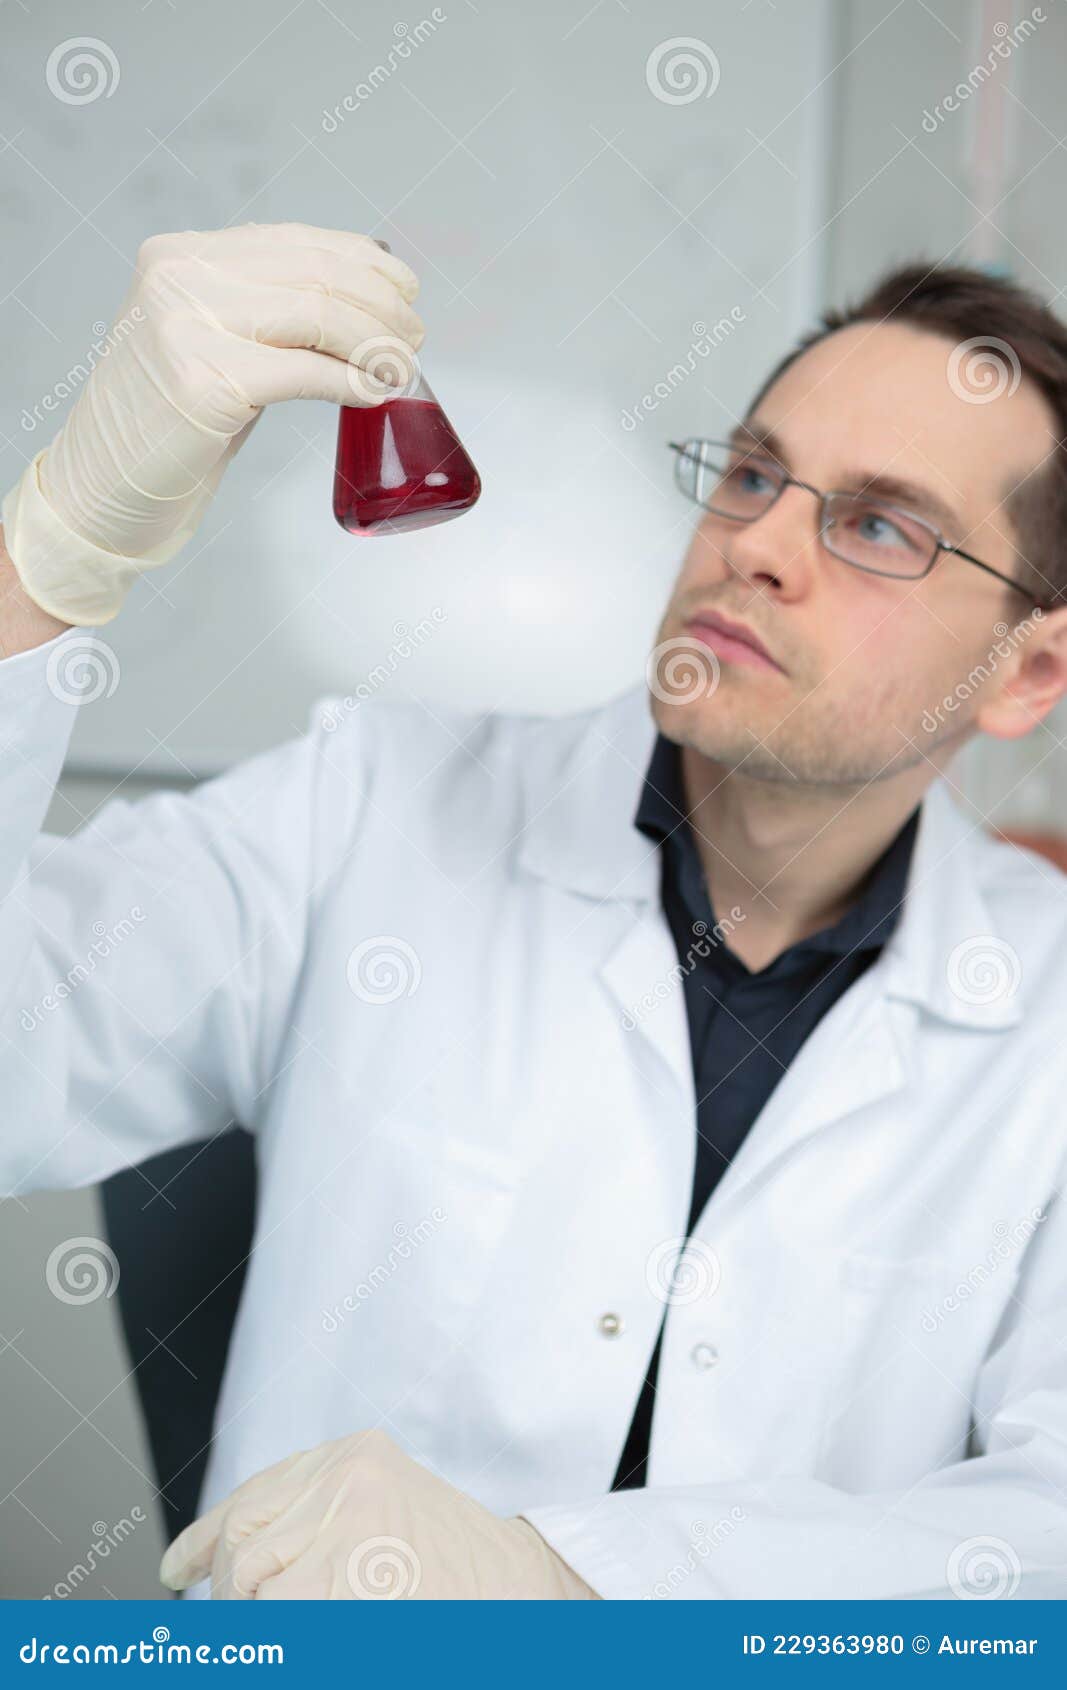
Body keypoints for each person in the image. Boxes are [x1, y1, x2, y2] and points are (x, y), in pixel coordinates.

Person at [2, 224, 1067, 1601]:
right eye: (752, 474)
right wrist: (42, 569)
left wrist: (565, 1576)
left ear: (1028, 673)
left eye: (875, 524)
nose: (758, 546)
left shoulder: (1048, 1012)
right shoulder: (365, 810)